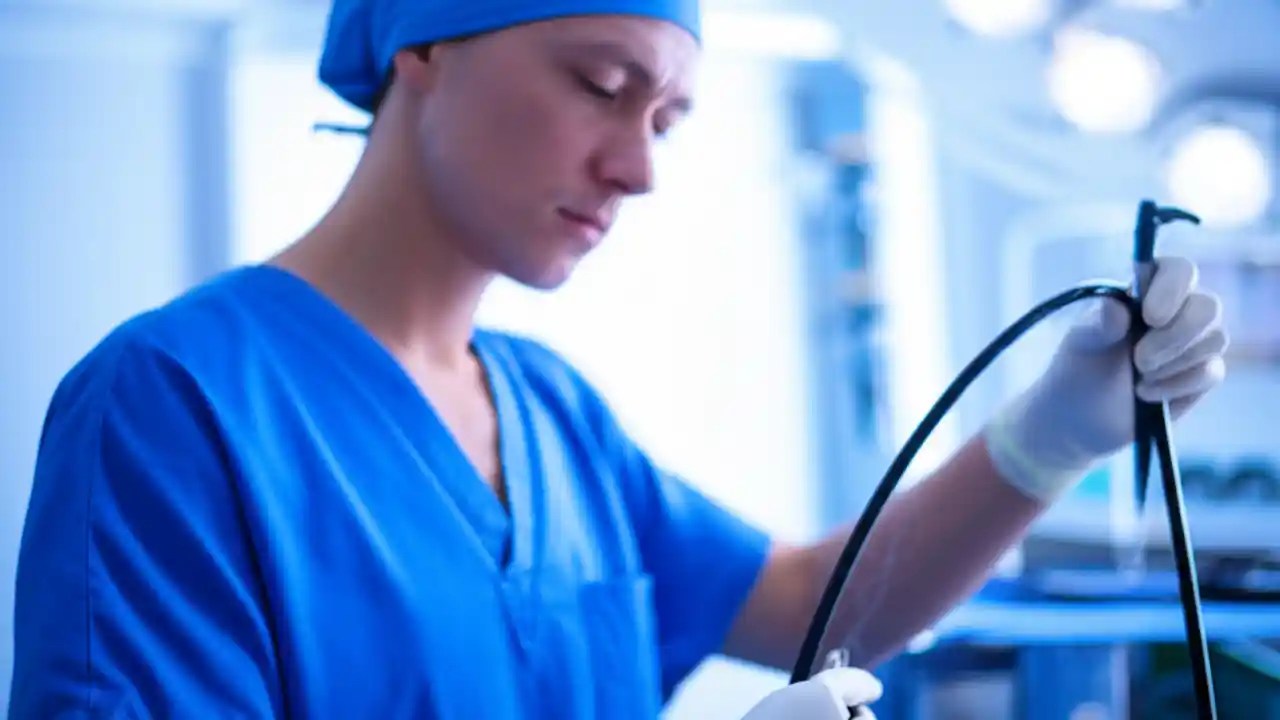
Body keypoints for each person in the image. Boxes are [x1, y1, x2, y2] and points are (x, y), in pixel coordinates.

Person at [9, 0, 1229, 717]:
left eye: (664, 121)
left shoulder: (552, 417)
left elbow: (819, 608)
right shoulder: (176, 408)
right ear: (419, 47)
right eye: (601, 87)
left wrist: (1051, 433)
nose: (638, 168)